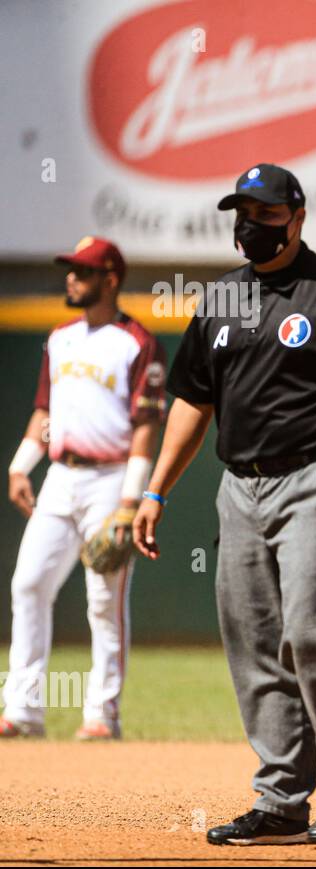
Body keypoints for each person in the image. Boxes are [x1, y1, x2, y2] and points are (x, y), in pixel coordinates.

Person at [132, 164, 316, 844]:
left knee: (312, 635)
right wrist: (153, 490)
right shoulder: (221, 300)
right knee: (254, 644)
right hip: (242, 488)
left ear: (296, 215)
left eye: (264, 213)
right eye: (242, 212)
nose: (250, 226)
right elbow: (193, 401)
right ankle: (282, 800)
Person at [2, 237, 165, 741]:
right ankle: (23, 711)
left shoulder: (136, 341)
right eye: (71, 271)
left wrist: (129, 501)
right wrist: (19, 465)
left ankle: (101, 713)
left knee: (104, 598)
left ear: (110, 278)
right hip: (61, 476)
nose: (71, 279)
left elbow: (145, 425)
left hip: (111, 477)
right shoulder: (60, 337)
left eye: (83, 272)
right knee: (28, 584)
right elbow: (44, 410)